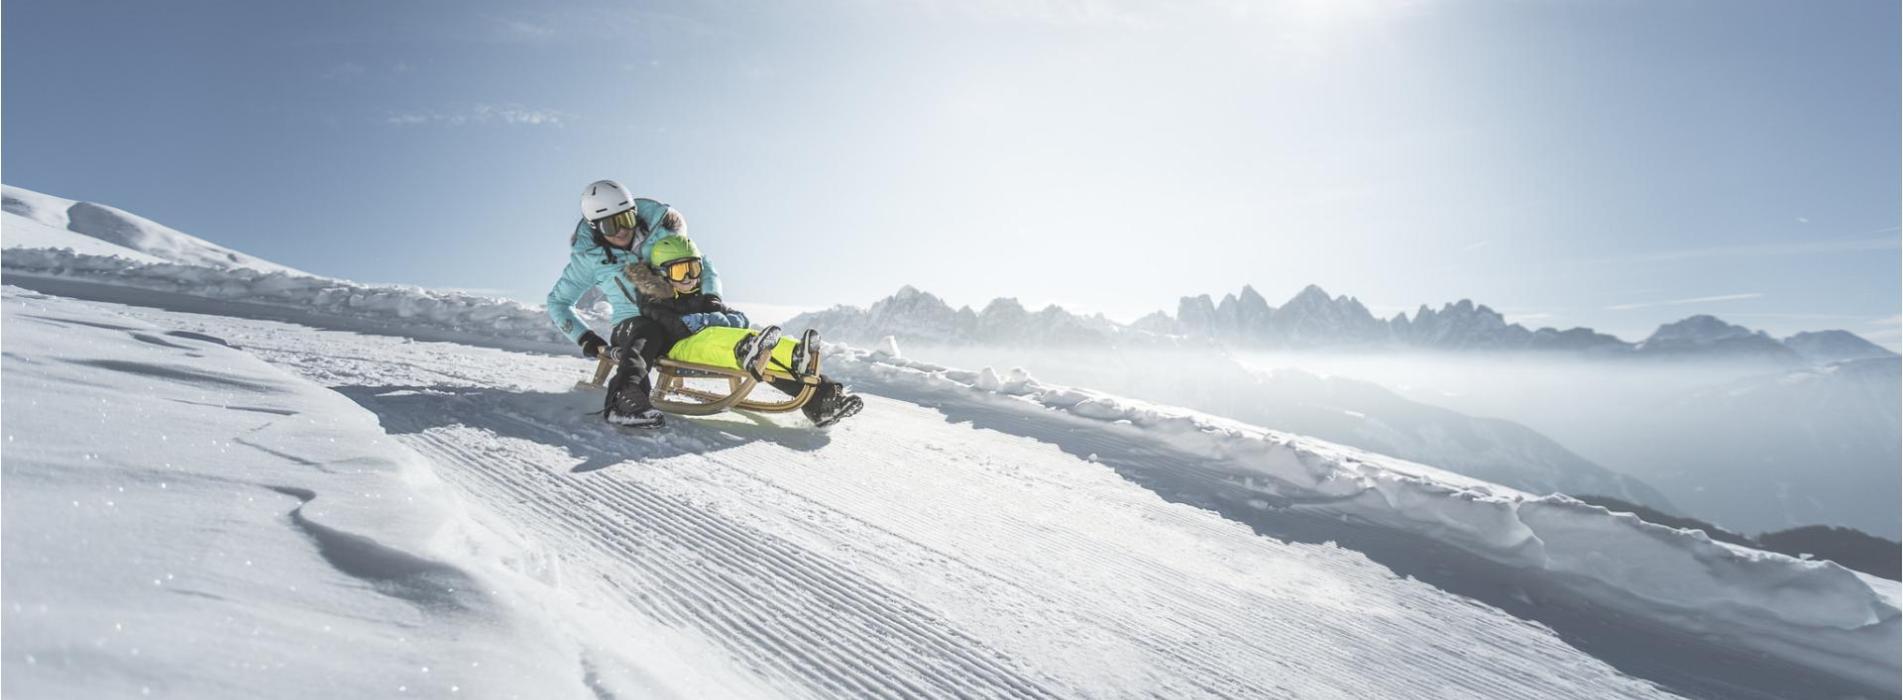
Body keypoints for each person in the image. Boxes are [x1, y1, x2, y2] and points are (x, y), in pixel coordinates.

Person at [628, 235, 864, 428]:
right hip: (681, 348)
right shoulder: (655, 300)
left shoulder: (702, 298)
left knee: (761, 346)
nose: (690, 278)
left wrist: (717, 317)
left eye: (694, 268)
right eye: (681, 272)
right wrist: (715, 320)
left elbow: (739, 318)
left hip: (719, 344)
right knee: (716, 337)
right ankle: (747, 351)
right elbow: (680, 326)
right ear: (661, 274)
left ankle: (818, 391)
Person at [546, 179, 709, 428]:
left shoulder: (664, 233)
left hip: (676, 317)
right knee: (647, 329)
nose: (621, 230)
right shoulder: (590, 259)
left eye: (626, 220)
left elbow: (704, 268)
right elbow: (558, 302)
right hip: (632, 326)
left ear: (636, 215)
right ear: (596, 227)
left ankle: (787, 374)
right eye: (610, 225)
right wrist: (587, 339)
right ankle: (624, 398)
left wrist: (712, 300)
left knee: (724, 326)